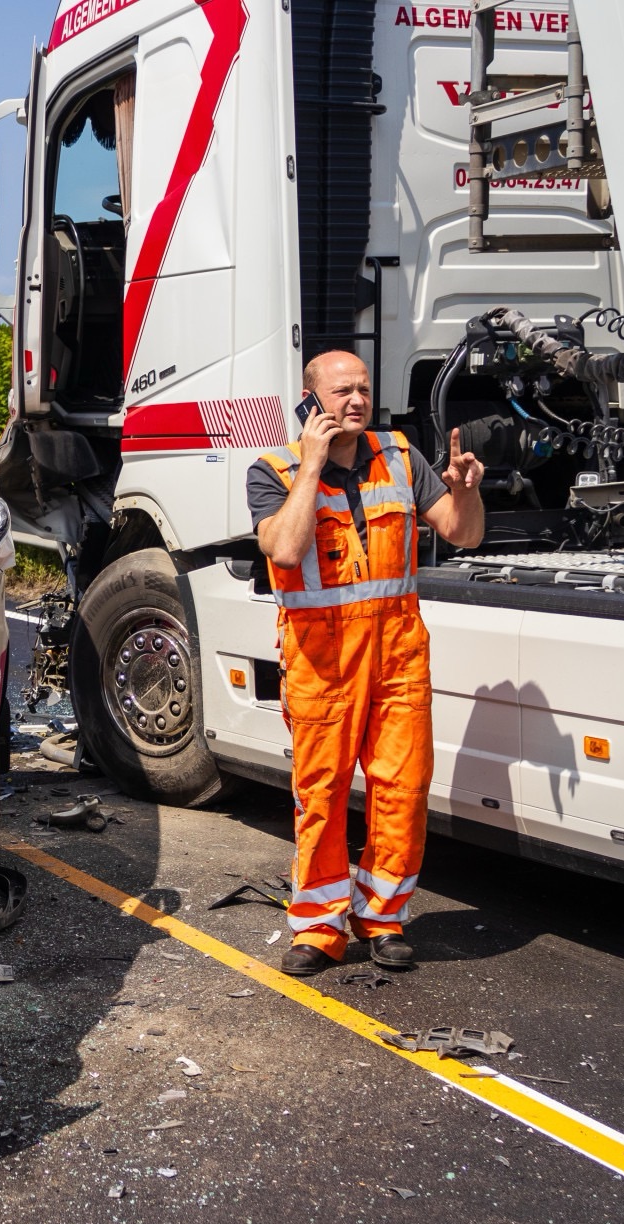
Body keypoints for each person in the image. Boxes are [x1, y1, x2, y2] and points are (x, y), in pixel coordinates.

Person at [247, 350, 485, 976]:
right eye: (340, 391)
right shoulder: (273, 470)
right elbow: (286, 546)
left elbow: (464, 534)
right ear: (309, 400)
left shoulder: (403, 456)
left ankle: (383, 917)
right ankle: (320, 928)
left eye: (362, 389)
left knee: (402, 789)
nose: (356, 400)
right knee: (320, 794)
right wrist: (312, 465)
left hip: (398, 652)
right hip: (321, 661)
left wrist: (465, 491)